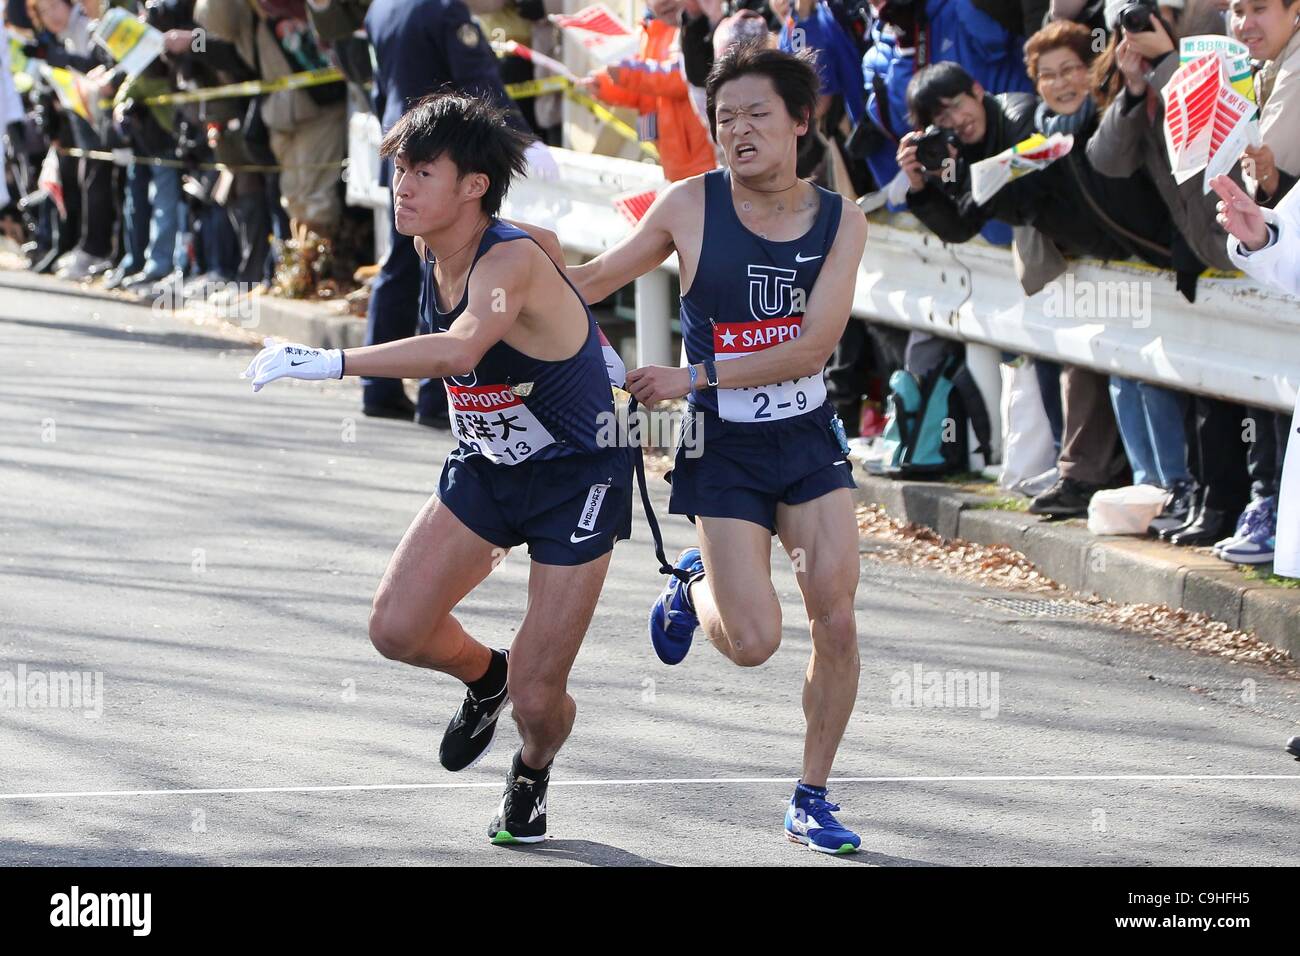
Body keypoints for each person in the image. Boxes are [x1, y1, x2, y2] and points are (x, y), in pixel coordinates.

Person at [242, 93, 633, 846]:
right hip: (487, 464)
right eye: (398, 171)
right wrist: (590, 337)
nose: (403, 188)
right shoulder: (435, 246)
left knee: (539, 693)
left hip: (575, 479)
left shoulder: (507, 257)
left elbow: (459, 350)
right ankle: (483, 675)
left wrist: (331, 361)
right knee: (396, 628)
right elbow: (549, 257)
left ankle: (531, 766)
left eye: (423, 172)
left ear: (475, 186)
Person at [558, 43, 870, 855]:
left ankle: (812, 795)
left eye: (757, 115)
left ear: (801, 121)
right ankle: (694, 584)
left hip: (806, 439)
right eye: (724, 118)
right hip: (723, 449)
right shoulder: (688, 206)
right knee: (755, 643)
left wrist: (694, 373)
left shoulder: (842, 220)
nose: (738, 131)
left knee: (835, 621)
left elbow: (811, 348)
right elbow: (593, 280)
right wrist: (506, 269)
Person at [361, 0, 547, 427]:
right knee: (448, 268)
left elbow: (377, 87)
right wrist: (520, 139)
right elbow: (479, 86)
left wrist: (397, 153)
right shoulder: (444, 10)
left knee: (403, 265)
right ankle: (434, 394)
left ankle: (379, 385)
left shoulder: (380, 9)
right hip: (443, 163)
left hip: (403, 150)